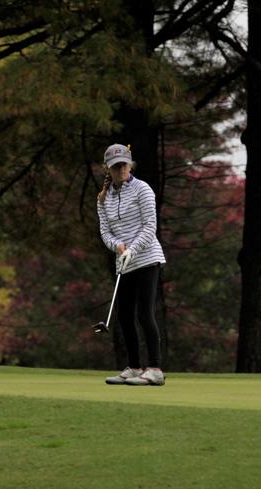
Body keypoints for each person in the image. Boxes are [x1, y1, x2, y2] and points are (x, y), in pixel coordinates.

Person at [97, 143, 166, 386]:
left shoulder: (142, 189)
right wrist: (117, 246)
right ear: (108, 168)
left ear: (130, 165)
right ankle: (135, 367)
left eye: (124, 165)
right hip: (124, 262)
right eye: (116, 166)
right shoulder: (103, 198)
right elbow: (105, 232)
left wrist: (133, 249)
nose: (121, 169)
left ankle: (155, 369)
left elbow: (150, 226)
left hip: (147, 258)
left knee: (144, 313)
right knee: (124, 316)